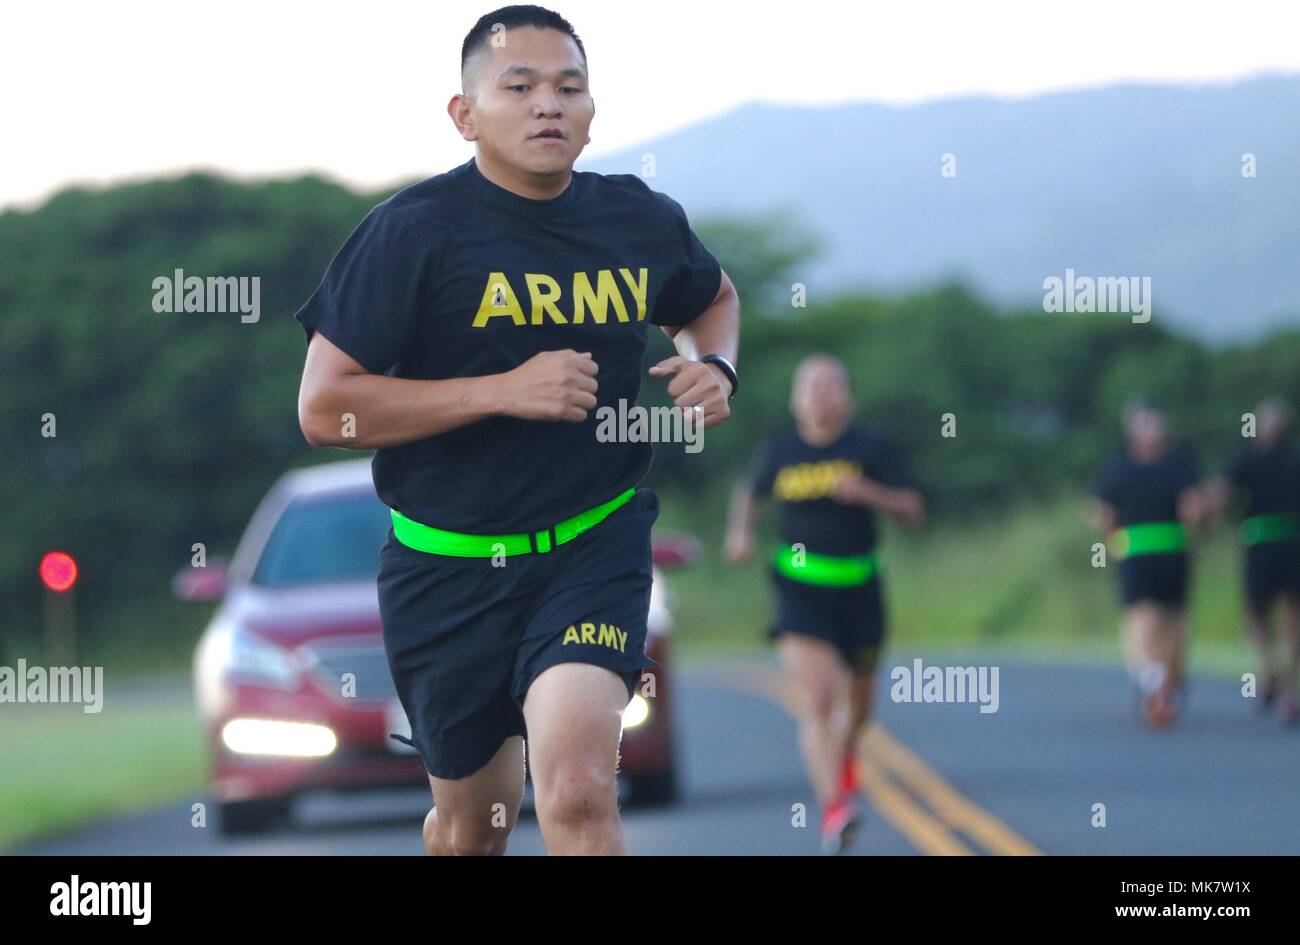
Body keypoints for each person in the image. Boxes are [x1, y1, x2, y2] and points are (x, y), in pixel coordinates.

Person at [294, 5, 741, 855]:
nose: (550, 105)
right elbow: (325, 409)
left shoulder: (637, 220)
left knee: (576, 795)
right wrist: (499, 390)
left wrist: (714, 367)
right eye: (521, 86)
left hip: (591, 542)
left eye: (569, 87)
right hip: (446, 566)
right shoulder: (411, 233)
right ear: (464, 116)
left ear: (593, 111)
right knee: (471, 828)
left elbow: (713, 299)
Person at [725, 355, 925, 853]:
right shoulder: (781, 450)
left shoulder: (869, 448)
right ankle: (836, 809)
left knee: (857, 709)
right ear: (795, 400)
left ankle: (848, 753)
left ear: (847, 397)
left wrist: (870, 493)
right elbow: (749, 493)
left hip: (860, 587)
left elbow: (914, 510)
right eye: (810, 387)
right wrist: (741, 535)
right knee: (817, 703)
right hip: (799, 587)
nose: (820, 395)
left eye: (831, 385)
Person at [1093, 402, 1207, 729]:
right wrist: (1110, 537)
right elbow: (1103, 509)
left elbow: (1194, 507)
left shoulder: (1180, 464)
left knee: (1172, 618)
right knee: (1142, 616)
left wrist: (1197, 525)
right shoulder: (1119, 467)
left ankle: (1165, 678)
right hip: (1135, 551)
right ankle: (1153, 678)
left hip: (1173, 550)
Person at [1213, 399, 1300, 725]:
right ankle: (1274, 673)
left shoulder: (1267, 460)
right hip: (1271, 543)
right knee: (1264, 613)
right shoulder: (1249, 462)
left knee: (1280, 614)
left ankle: (1280, 677)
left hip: (1277, 544)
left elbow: (1221, 496)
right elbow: (1222, 494)